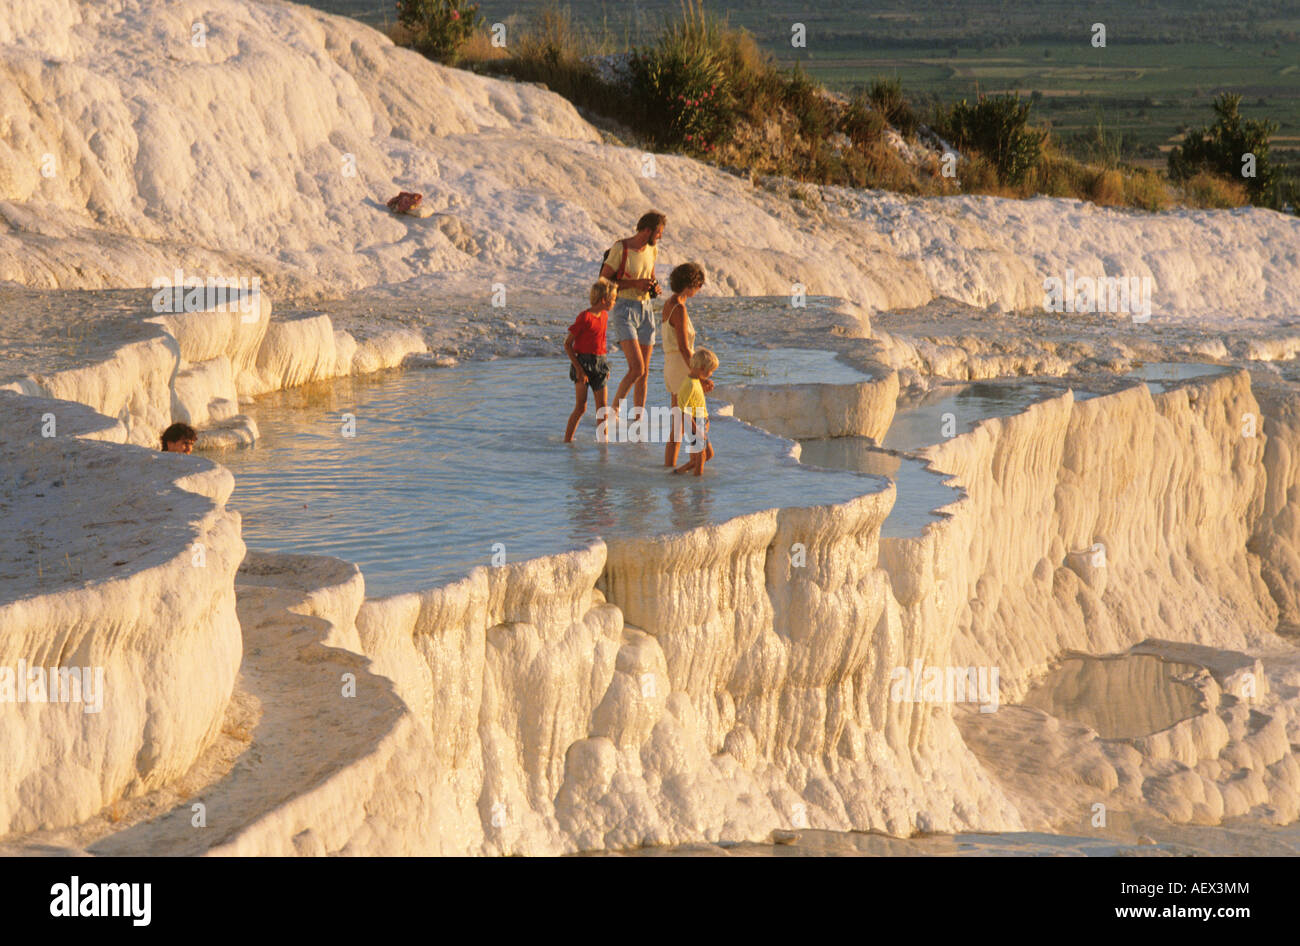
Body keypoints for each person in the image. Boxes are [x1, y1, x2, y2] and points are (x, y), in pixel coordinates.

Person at [601, 211, 666, 421]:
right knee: (636, 368)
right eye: (658, 233)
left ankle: (638, 421)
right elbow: (604, 282)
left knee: (644, 372)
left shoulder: (652, 250)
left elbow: (650, 276)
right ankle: (614, 411)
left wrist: (655, 287)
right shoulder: (621, 248)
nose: (660, 237)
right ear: (646, 230)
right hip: (624, 310)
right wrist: (634, 284)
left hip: (646, 309)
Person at [661, 262, 713, 466]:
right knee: (687, 422)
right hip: (682, 367)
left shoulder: (669, 303)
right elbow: (684, 347)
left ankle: (670, 469)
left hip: (672, 365)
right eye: (699, 284)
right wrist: (698, 375)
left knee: (678, 423)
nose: (699, 289)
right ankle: (691, 467)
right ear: (691, 284)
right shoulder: (679, 309)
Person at [564, 280, 616, 442]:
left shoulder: (605, 316)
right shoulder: (584, 317)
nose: (615, 302)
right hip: (582, 364)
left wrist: (605, 368)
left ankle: (603, 443)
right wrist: (579, 370)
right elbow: (567, 344)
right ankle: (567, 441)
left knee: (602, 409)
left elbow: (601, 343)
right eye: (613, 299)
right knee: (581, 407)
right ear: (603, 300)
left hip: (600, 364)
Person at [672, 349, 718, 476]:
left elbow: (695, 401)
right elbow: (683, 411)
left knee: (708, 454)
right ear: (702, 368)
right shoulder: (689, 385)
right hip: (694, 423)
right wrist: (697, 430)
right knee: (701, 455)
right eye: (711, 371)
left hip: (700, 421)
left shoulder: (696, 381)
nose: (711, 374)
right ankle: (698, 485)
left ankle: (680, 472)